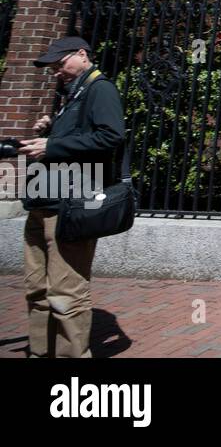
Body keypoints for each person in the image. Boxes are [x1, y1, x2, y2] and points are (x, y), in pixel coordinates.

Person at [19, 36, 125, 359]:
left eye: (59, 63)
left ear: (82, 54)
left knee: (66, 292)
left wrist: (52, 146)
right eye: (52, 67)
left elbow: (110, 136)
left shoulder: (100, 88)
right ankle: (41, 353)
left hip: (71, 205)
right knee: (37, 289)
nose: (56, 71)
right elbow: (81, 135)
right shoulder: (71, 92)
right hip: (43, 200)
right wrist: (50, 129)